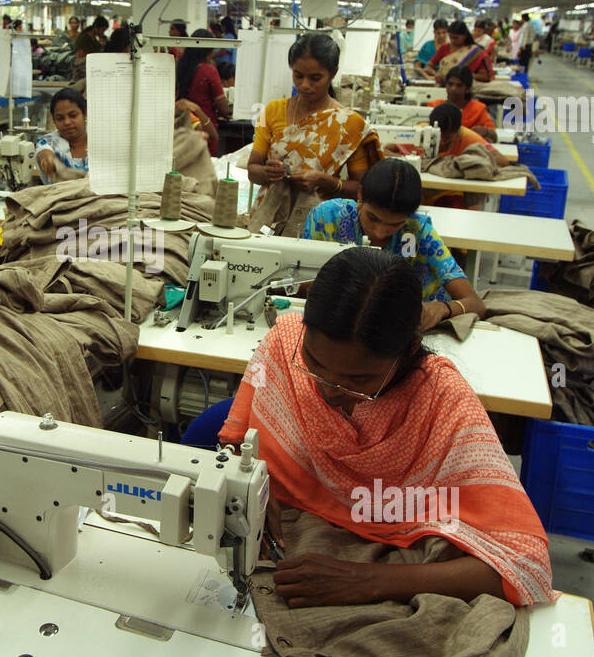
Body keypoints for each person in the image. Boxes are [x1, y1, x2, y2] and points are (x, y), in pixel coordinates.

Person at [217, 247, 553, 607]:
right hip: (281, 540)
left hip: (383, 562)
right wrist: (245, 485)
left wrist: (371, 581)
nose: (327, 389)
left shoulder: (441, 401)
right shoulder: (284, 343)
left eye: (358, 379)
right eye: (313, 363)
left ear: (408, 350)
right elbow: (234, 452)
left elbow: (527, 565)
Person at [302, 159, 486, 328]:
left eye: (395, 224)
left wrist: (442, 308)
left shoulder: (418, 232)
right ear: (360, 194)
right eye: (372, 218)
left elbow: (475, 303)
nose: (380, 232)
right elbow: (301, 283)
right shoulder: (326, 218)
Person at [246, 32, 382, 208]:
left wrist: (324, 181)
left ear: (333, 73)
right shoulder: (273, 110)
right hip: (269, 217)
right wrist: (268, 172)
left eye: (315, 78)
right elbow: (252, 170)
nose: (304, 85)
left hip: (320, 222)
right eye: (298, 75)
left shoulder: (350, 124)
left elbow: (362, 190)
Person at [175, 28, 232, 156]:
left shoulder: (180, 67)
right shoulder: (209, 71)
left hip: (184, 125)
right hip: (205, 126)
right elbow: (223, 109)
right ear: (209, 50)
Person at [425, 66, 496, 140]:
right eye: (450, 84)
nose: (453, 89)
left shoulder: (478, 109)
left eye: (459, 85)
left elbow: (493, 135)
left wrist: (486, 132)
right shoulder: (434, 106)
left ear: (467, 88)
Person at [35, 88, 89, 183]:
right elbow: (43, 152)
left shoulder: (100, 139)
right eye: (60, 118)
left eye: (73, 115)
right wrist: (47, 159)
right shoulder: (48, 141)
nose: (67, 122)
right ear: (54, 120)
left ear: (85, 114)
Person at [423, 21, 491, 84]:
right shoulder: (444, 48)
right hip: (444, 86)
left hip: (465, 88)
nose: (452, 40)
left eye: (456, 38)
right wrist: (436, 74)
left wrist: (464, 76)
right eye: (450, 37)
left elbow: (485, 77)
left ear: (464, 36)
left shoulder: (475, 52)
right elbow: (428, 66)